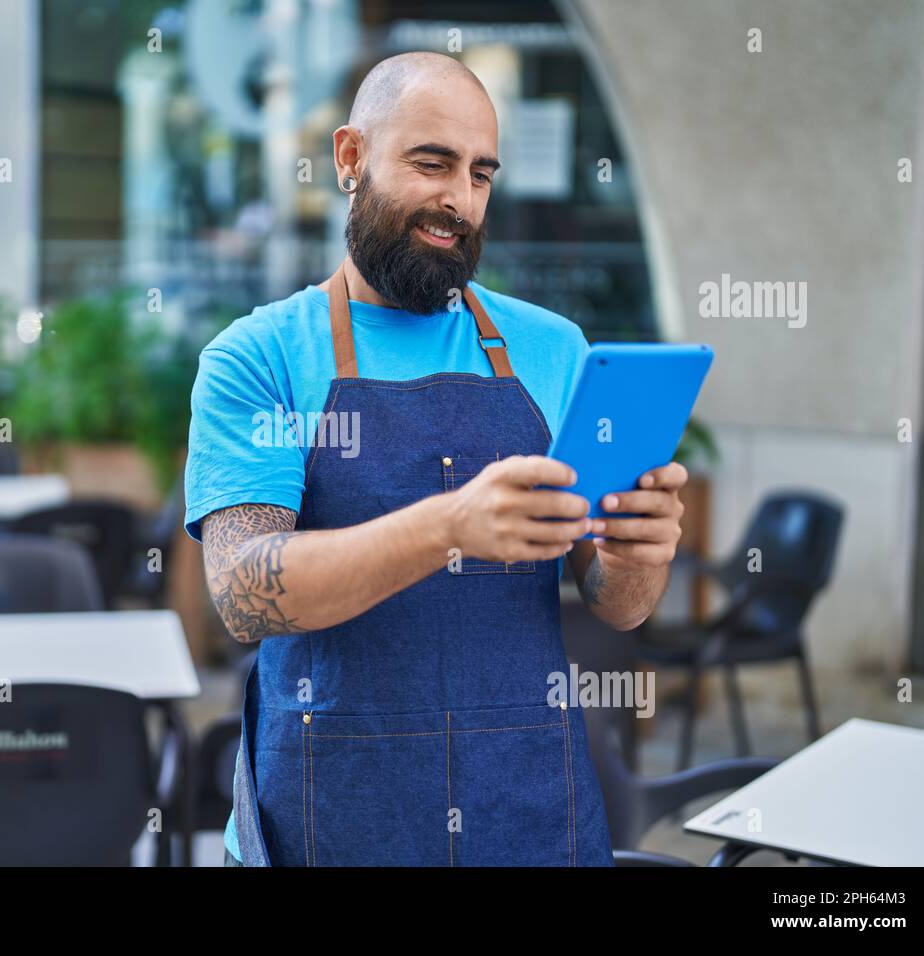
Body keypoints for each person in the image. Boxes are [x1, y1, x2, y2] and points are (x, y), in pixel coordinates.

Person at [184, 52, 688, 867]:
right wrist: (451, 525)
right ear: (350, 158)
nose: (458, 199)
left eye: (481, 173)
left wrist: (641, 551)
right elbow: (244, 595)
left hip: (527, 817)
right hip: (331, 815)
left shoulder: (555, 351)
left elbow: (618, 604)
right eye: (432, 164)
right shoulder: (260, 357)